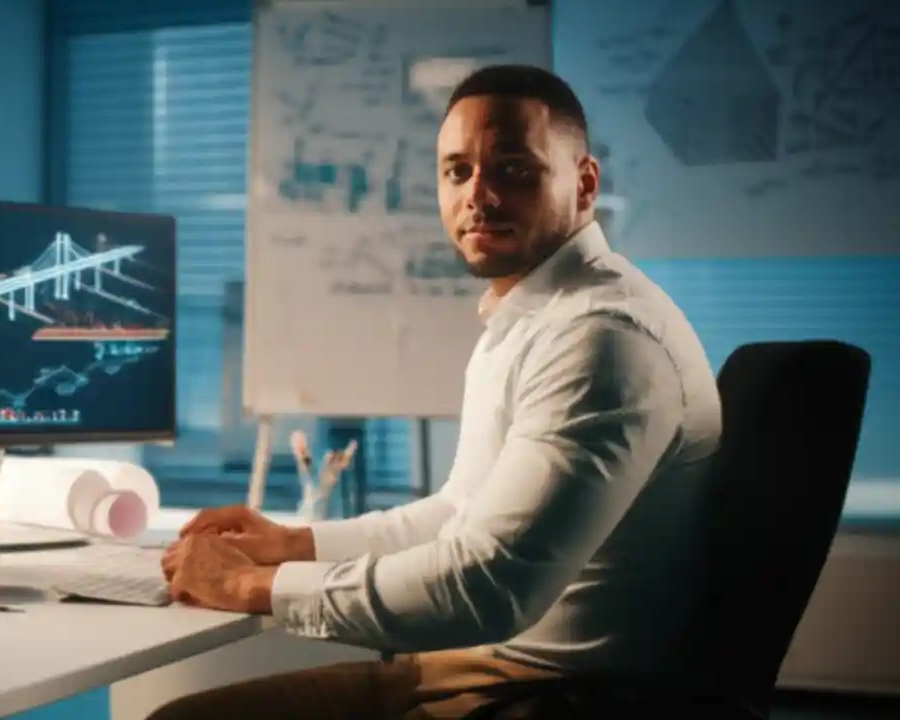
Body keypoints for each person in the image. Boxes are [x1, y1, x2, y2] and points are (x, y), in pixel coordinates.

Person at [153, 64, 723, 719]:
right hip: (494, 663)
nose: (478, 194)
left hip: (560, 695)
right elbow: (459, 513)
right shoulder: (532, 316)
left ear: (584, 183)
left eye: (513, 168)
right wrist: (293, 543)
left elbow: (488, 586)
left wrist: (252, 583)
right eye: (457, 171)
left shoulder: (602, 338)